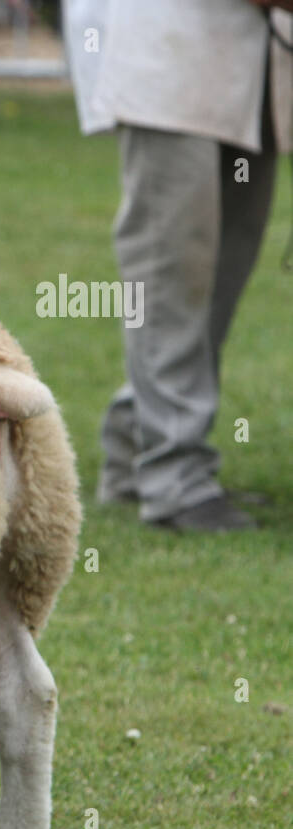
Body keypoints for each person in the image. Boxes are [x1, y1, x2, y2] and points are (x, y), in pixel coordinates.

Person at [63, 0, 293, 530]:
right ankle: (174, 479)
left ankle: (132, 451)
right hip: (165, 52)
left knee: (219, 274)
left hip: (248, 71)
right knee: (171, 270)